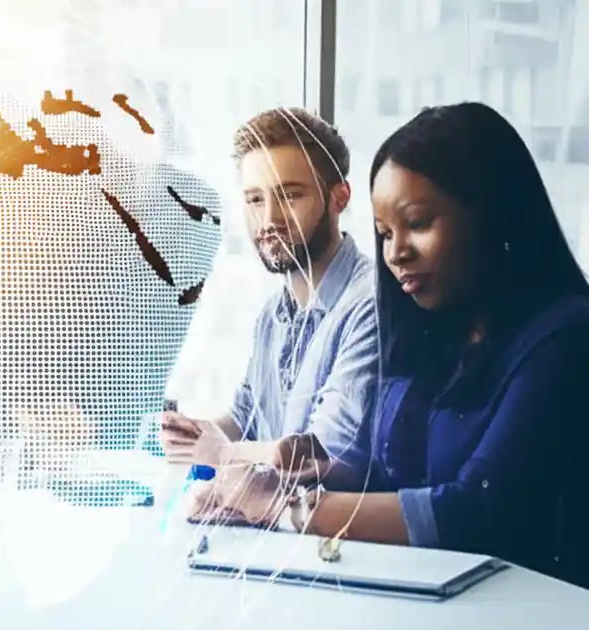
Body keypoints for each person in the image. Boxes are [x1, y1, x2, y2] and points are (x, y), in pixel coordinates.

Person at [195, 102, 589, 589]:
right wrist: (310, 474)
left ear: (492, 215)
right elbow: (391, 473)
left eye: (418, 224)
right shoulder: (432, 331)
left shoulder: (565, 339)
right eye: (384, 233)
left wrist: (285, 506)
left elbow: (479, 509)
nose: (396, 253)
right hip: (431, 600)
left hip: (533, 615)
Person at [161, 107, 377, 486]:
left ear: (339, 197)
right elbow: (245, 421)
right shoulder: (273, 314)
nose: (269, 220)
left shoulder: (370, 306)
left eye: (289, 195)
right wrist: (192, 435)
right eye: (255, 200)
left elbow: (325, 452)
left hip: (329, 520)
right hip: (272, 516)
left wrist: (222, 453)